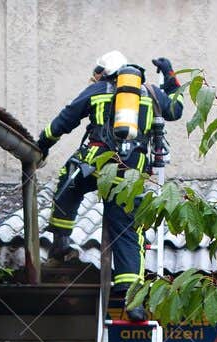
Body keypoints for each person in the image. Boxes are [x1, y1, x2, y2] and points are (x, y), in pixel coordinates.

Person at [36, 51, 185, 320]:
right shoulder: (151, 93)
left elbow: (64, 120)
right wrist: (169, 74)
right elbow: (176, 109)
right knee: (127, 233)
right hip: (129, 175)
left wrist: (41, 145)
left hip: (95, 164)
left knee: (67, 184)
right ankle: (133, 302)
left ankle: (60, 243)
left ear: (106, 72)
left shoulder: (97, 89)